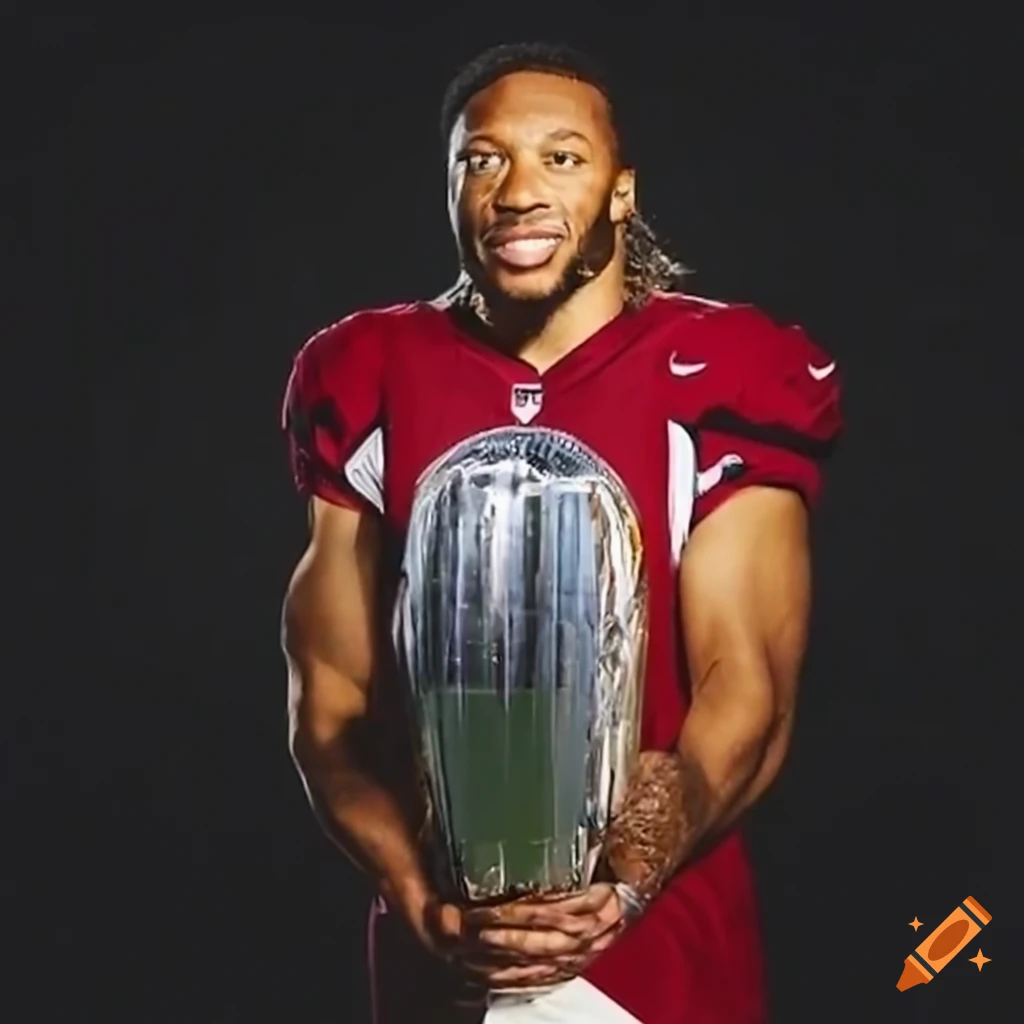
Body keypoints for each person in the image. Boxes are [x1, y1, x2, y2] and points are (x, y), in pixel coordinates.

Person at [280, 41, 843, 1024]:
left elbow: (743, 685)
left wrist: (615, 884)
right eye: (482, 159)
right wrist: (420, 897)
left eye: (561, 157)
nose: (516, 190)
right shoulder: (362, 369)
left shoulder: (725, 368)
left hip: (651, 955)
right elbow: (329, 698)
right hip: (439, 961)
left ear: (621, 193)